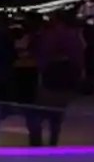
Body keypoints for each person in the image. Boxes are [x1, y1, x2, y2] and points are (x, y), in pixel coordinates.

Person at [34, 12, 87, 146]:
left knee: (42, 110)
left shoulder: (50, 36)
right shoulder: (73, 36)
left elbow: (44, 56)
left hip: (52, 77)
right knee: (57, 112)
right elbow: (78, 58)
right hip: (66, 78)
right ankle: (53, 140)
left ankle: (38, 141)